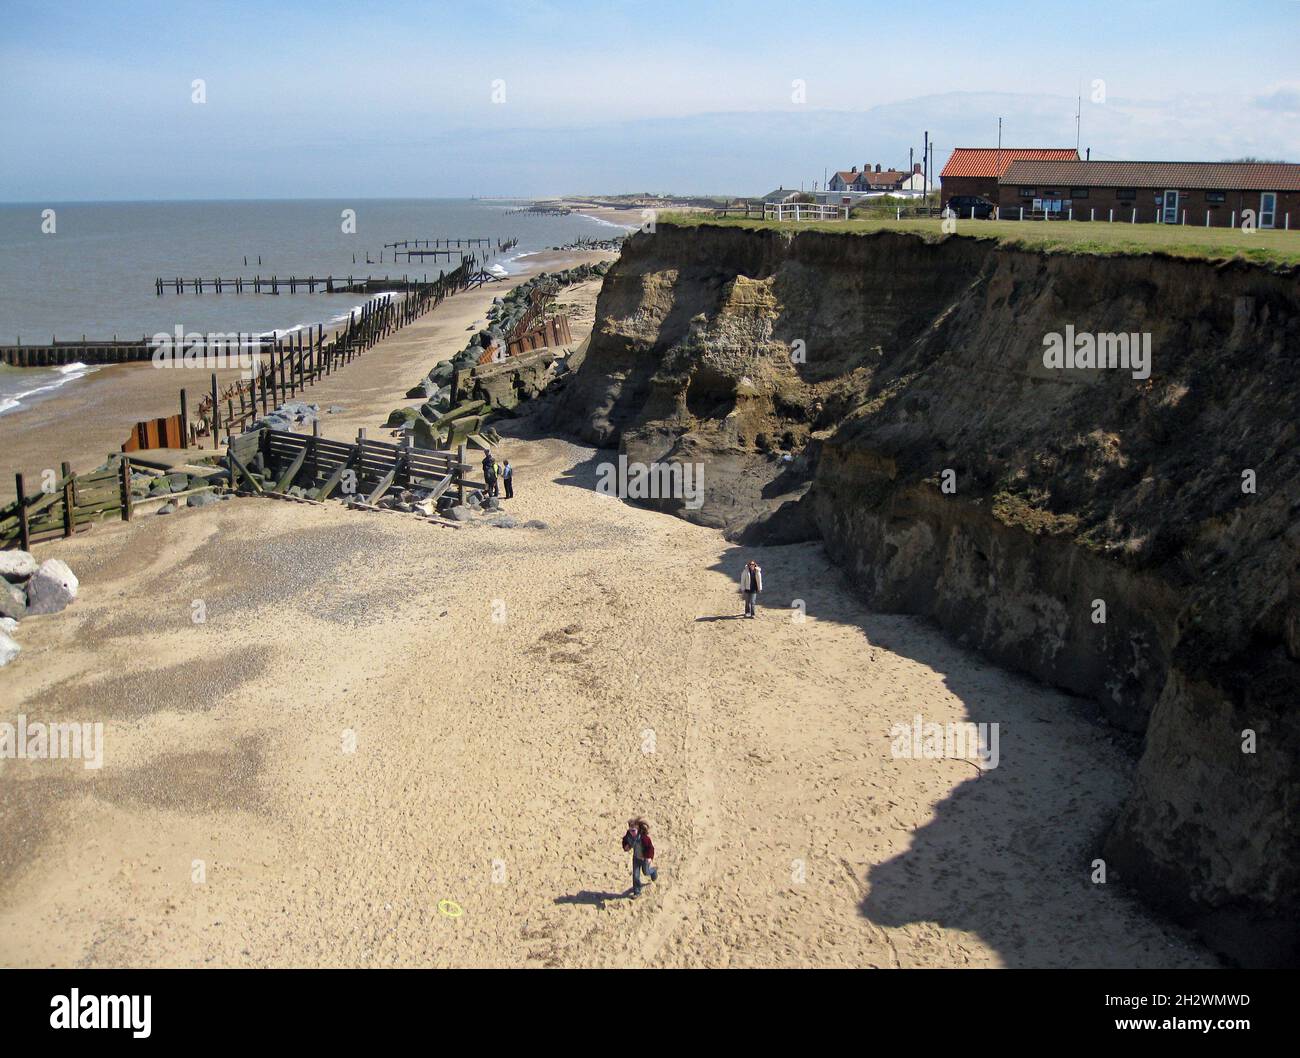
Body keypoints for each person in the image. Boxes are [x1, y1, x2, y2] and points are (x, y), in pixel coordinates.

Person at [622, 817, 657, 897]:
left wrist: (649, 858)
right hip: (636, 858)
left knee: (646, 872)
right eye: (630, 830)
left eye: (633, 831)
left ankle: (653, 871)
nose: (632, 832)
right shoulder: (629, 836)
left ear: (638, 830)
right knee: (635, 875)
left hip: (644, 859)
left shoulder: (644, 838)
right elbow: (625, 841)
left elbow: (650, 848)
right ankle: (637, 892)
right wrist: (626, 847)